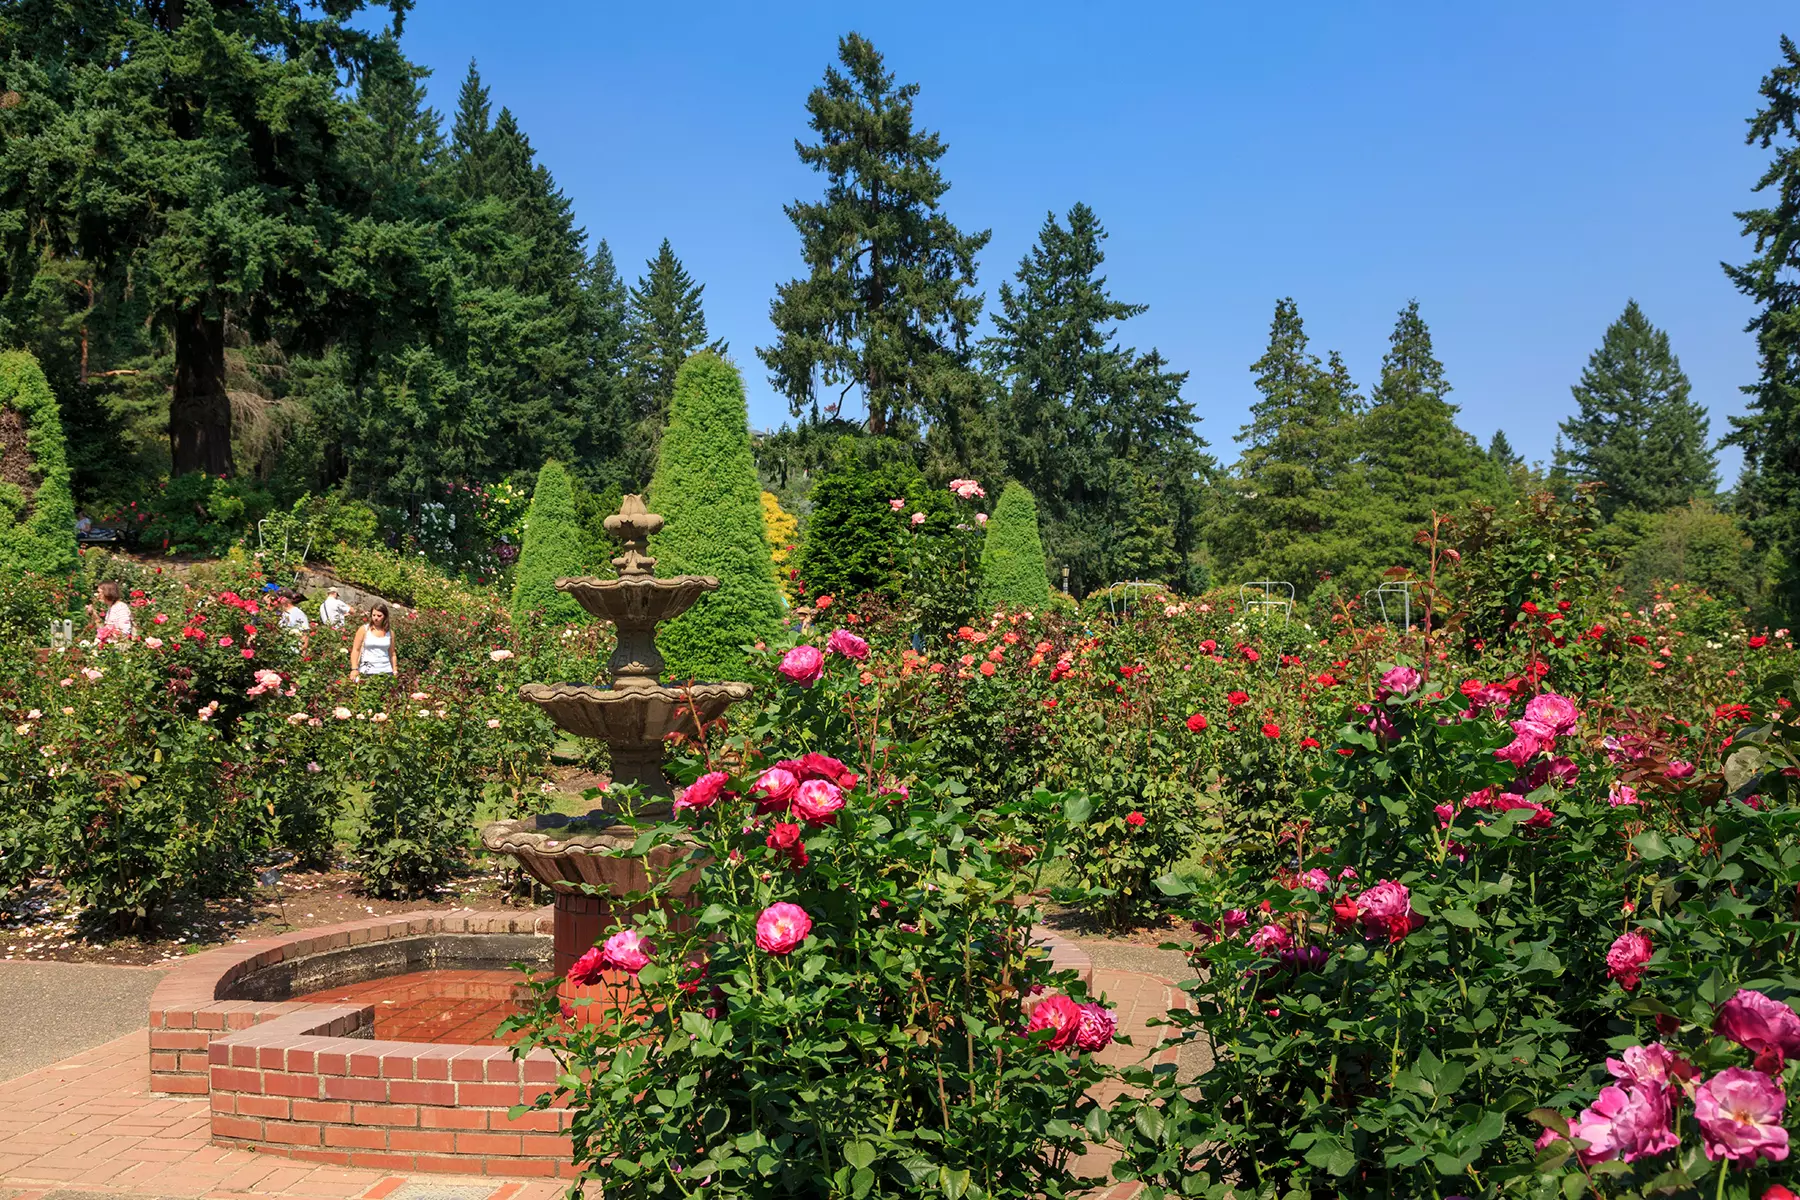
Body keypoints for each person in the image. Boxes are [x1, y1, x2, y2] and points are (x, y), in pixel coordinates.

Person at [350, 603, 396, 681]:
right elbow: (355, 650)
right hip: (367, 671)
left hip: (386, 671)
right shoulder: (364, 629)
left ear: (385, 616)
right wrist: (354, 668)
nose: (376, 618)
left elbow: (392, 653)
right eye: (373, 615)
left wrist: (395, 669)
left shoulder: (390, 633)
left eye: (379, 616)